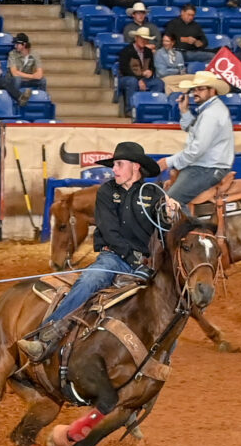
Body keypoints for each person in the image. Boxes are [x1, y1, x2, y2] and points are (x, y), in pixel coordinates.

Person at [13, 140, 168, 361]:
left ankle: (163, 354)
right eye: (113, 165)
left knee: (172, 298)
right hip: (114, 258)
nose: (113, 169)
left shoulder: (153, 194)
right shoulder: (106, 192)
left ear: (135, 166)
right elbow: (110, 231)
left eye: (119, 164)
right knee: (90, 280)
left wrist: (169, 216)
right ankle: (46, 337)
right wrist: (137, 261)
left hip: (147, 264)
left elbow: (164, 232)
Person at [163, 71, 235, 213]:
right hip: (206, 166)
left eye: (200, 89)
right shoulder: (209, 110)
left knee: (171, 200)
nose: (196, 92)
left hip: (206, 168)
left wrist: (169, 162)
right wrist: (184, 111)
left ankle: (190, 233)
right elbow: (193, 129)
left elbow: (196, 149)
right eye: (195, 89)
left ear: (212, 90)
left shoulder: (210, 114)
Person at [116, 27, 160, 111]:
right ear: (136, 38)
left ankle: (152, 107)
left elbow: (152, 67)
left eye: (146, 39)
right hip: (127, 78)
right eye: (141, 38)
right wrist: (139, 79)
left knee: (158, 83)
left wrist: (150, 72)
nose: (143, 41)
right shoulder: (126, 51)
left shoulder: (148, 51)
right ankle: (131, 109)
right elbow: (125, 70)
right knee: (132, 81)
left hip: (143, 78)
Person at [7, 33, 46, 103]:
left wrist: (32, 77)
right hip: (16, 80)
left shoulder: (34, 54)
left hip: (27, 79)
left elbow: (40, 74)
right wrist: (32, 76)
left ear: (24, 44)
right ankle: (17, 100)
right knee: (17, 79)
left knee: (43, 80)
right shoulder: (12, 53)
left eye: (17, 44)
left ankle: (41, 99)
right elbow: (14, 73)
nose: (15, 46)